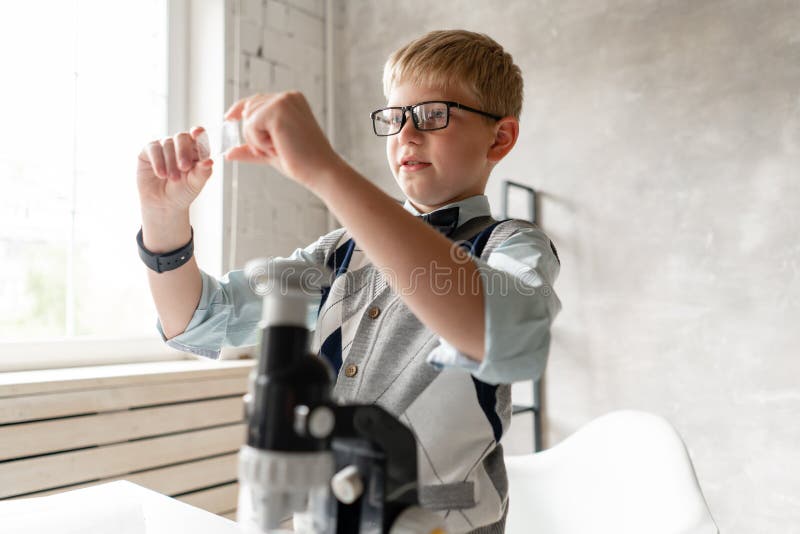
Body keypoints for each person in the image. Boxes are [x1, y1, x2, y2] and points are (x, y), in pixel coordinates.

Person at [136, 29, 561, 534]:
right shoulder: (341, 251)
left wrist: (324, 170)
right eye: (395, 117)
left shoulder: (512, 244)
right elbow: (200, 319)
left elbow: (503, 334)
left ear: (500, 137)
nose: (406, 134)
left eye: (432, 115)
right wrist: (163, 218)